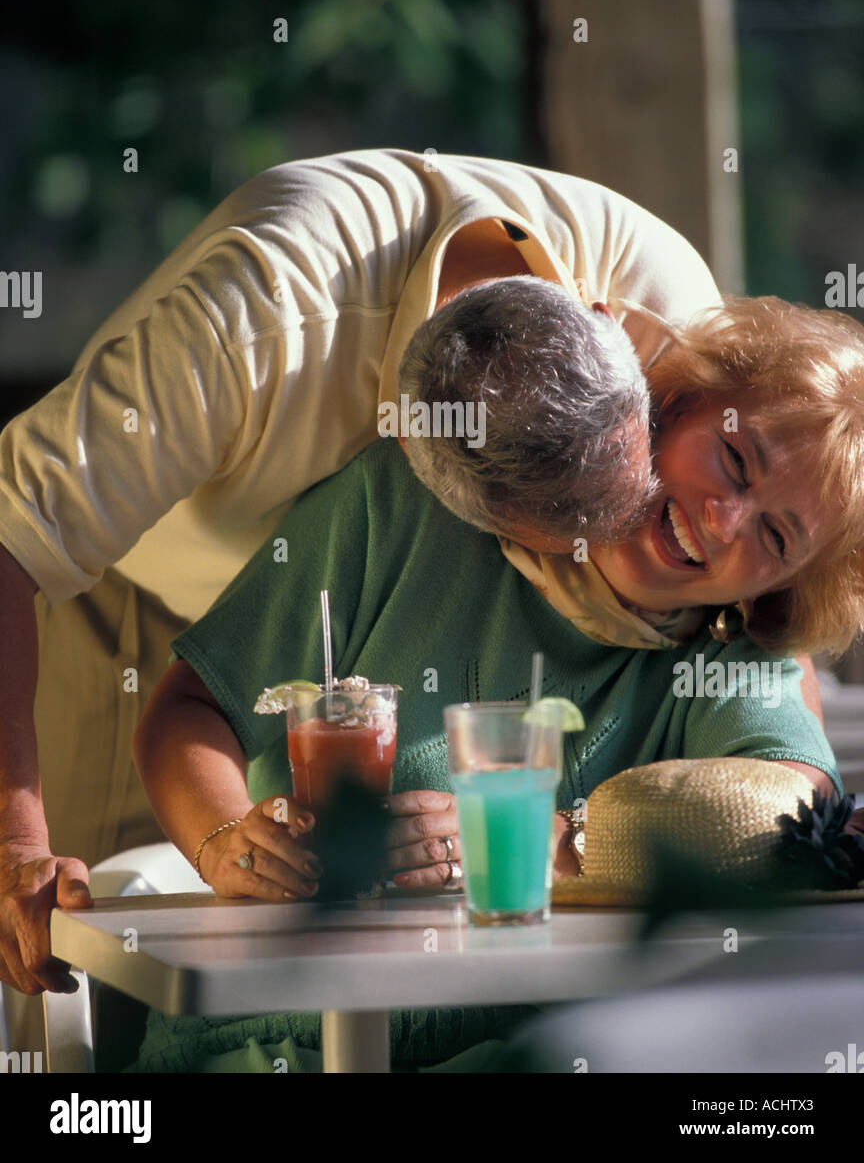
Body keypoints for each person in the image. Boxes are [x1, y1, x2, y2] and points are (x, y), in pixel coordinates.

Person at [0, 147, 721, 996]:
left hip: (356, 645)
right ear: (414, 455)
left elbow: (757, 588)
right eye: (538, 550)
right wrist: (19, 846)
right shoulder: (257, 319)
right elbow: (13, 535)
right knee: (86, 957)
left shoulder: (674, 321)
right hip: (131, 595)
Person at [125, 291, 862, 1073]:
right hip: (266, 1038)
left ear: (781, 585)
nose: (724, 520)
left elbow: (797, 813)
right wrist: (222, 842)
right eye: (735, 459)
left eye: (776, 537)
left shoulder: (731, 646)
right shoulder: (410, 502)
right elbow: (191, 707)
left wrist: (555, 843)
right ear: (674, 406)